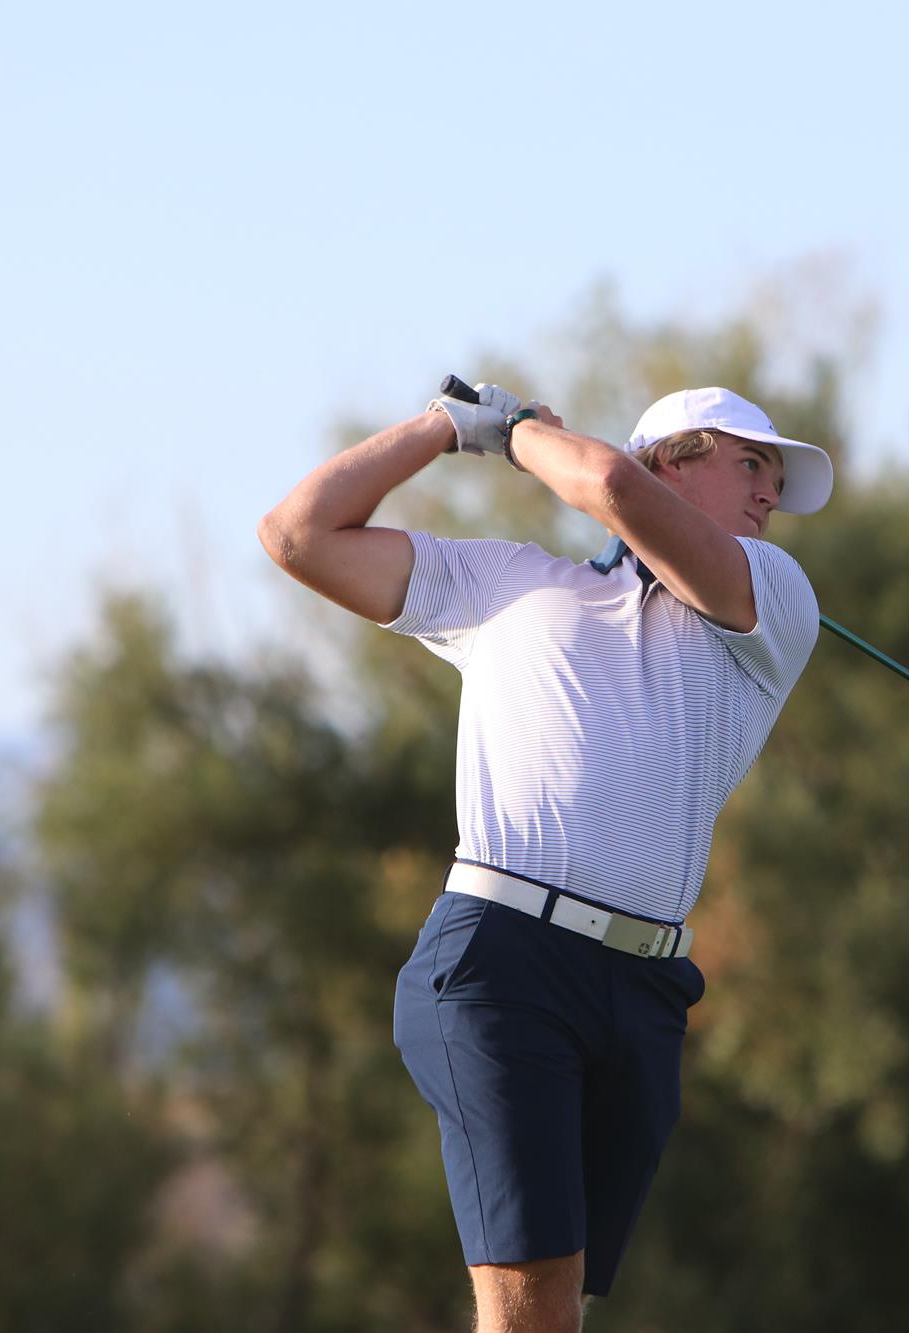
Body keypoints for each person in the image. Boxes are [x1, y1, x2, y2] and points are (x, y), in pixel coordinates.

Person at [258, 381, 832, 1333]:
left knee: (553, 1309)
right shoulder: (505, 585)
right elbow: (297, 534)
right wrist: (444, 429)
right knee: (525, 1303)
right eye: (751, 465)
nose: (770, 495)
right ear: (672, 461)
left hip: (645, 990)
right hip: (501, 963)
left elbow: (606, 481)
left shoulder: (775, 602)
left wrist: (516, 432)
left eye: (774, 477)